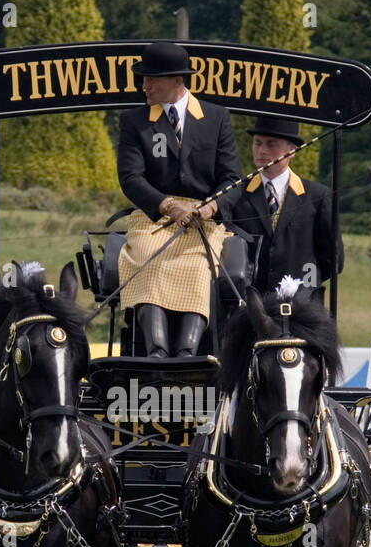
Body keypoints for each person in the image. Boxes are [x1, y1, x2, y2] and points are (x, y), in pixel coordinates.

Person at [116, 40, 242, 357]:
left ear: (177, 81)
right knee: (147, 258)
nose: (144, 86)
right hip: (153, 218)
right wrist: (168, 206)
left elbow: (231, 179)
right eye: (142, 78)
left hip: (202, 221)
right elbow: (131, 178)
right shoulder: (134, 121)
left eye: (151, 79)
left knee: (200, 267)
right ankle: (156, 350)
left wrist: (210, 207)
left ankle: (188, 352)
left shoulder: (216, 118)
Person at [228, 116, 341, 296]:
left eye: (271, 145)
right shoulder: (236, 193)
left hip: (300, 308)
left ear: (292, 151)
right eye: (257, 143)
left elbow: (332, 259)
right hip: (248, 304)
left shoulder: (318, 197)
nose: (262, 151)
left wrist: (303, 286)